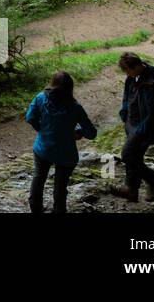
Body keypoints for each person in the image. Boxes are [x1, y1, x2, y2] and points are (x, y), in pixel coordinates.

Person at [25, 70, 97, 213]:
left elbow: (30, 117)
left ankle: (35, 208)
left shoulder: (40, 98)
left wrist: (42, 130)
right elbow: (92, 133)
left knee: (38, 178)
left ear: (53, 84)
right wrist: (79, 132)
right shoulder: (75, 108)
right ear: (70, 88)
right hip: (66, 153)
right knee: (60, 187)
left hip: (43, 149)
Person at [111, 52, 154, 202]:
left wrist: (143, 127)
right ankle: (131, 190)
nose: (127, 74)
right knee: (135, 156)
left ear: (137, 65)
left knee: (128, 155)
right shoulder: (131, 76)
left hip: (145, 126)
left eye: (128, 70)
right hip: (131, 122)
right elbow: (126, 94)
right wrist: (124, 111)